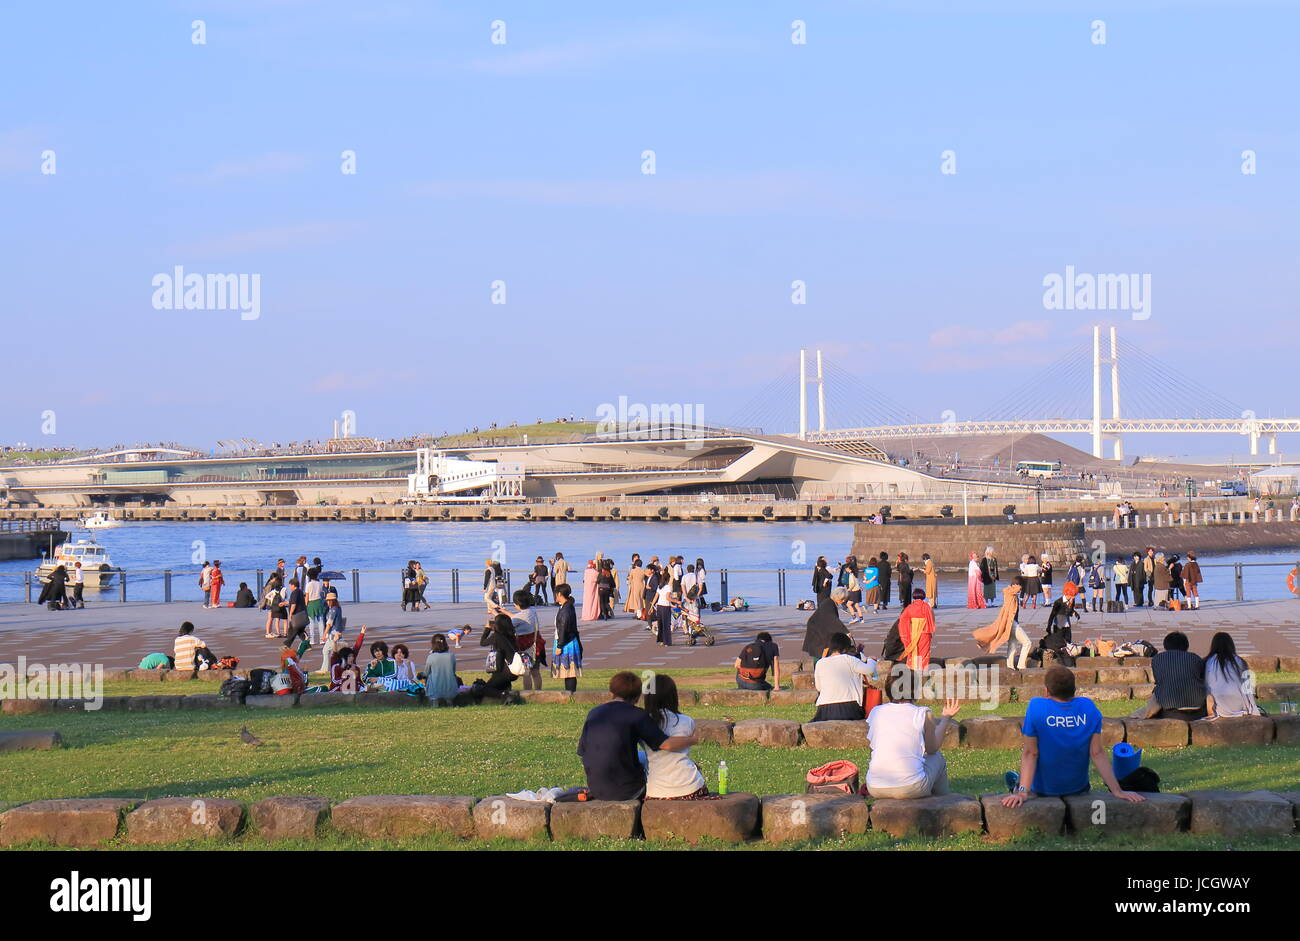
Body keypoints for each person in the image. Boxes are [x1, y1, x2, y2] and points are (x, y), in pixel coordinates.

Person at [1001, 666, 1145, 808]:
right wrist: (1117, 790)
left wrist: (1022, 793)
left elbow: (1031, 753)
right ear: (1074, 690)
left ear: (1047, 691)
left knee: (1025, 773)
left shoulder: (1036, 706)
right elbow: (1097, 752)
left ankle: (1018, 786)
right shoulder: (1088, 707)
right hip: (1077, 788)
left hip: (1042, 789)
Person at [577, 671, 697, 801]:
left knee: (641, 756)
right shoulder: (638, 715)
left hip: (597, 787)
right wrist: (693, 739)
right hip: (628, 791)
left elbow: (583, 751)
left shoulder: (594, 713)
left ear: (612, 692)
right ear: (637, 696)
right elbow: (665, 744)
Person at [866, 672, 960, 799]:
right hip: (911, 787)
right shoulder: (922, 713)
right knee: (938, 758)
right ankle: (943, 803)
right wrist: (945, 719)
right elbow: (932, 748)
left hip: (874, 786)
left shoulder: (876, 711)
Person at [643, 675, 710, 800]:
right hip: (691, 787)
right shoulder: (687, 721)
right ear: (673, 696)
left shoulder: (643, 722)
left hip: (657, 791)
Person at [1133, 631, 1207, 720]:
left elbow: (1159, 682)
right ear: (1186, 645)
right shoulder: (1195, 658)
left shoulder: (1158, 659)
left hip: (1169, 710)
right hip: (1198, 709)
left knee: (1157, 692)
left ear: (1166, 645)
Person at [811, 632, 876, 721]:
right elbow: (869, 670)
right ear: (846, 648)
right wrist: (871, 660)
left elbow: (818, 688)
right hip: (849, 707)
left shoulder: (820, 663)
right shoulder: (850, 660)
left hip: (824, 709)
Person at [495, 589, 545, 690]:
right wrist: (506, 612)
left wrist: (496, 614)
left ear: (517, 604)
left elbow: (505, 624)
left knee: (526, 672)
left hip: (525, 648)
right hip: (537, 645)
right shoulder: (532, 611)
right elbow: (517, 618)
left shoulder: (518, 618)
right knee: (536, 672)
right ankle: (539, 692)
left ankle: (528, 693)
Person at [972, 584, 1029, 669]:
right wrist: (1019, 584)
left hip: (1012, 623)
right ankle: (1021, 665)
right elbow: (1016, 589)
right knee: (1027, 643)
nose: (1020, 589)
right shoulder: (1010, 594)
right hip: (1012, 624)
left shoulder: (1012, 594)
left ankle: (1010, 666)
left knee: (1012, 644)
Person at [1203, 632, 1260, 718]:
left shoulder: (1208, 662)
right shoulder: (1240, 662)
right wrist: (1254, 710)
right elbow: (1247, 688)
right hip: (1240, 706)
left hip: (1218, 708)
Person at [478, 613, 519, 698]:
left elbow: (482, 642)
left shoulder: (497, 636)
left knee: (486, 689)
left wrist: (487, 628)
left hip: (503, 671)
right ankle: (507, 691)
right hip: (513, 670)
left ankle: (504, 695)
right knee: (500, 685)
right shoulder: (512, 635)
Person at [802, 587, 848, 665]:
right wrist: (845, 631)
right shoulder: (828, 604)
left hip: (820, 631)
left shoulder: (830, 603)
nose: (844, 601)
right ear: (837, 596)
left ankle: (820, 669)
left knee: (822, 651)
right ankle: (818, 671)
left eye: (845, 599)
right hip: (816, 632)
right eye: (842, 599)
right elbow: (832, 619)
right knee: (819, 652)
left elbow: (831, 620)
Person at [552, 583, 583, 691]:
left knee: (569, 671)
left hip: (566, 643)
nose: (555, 596)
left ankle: (570, 693)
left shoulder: (566, 609)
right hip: (568, 640)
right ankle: (570, 692)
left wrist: (559, 646)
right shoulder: (566, 606)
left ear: (559, 594)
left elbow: (564, 628)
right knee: (568, 672)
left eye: (556, 594)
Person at [897, 588, 936, 670]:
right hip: (925, 632)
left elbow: (902, 619)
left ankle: (913, 667)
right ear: (923, 596)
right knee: (923, 652)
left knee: (914, 650)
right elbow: (931, 619)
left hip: (913, 632)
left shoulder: (910, 607)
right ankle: (922, 669)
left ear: (913, 596)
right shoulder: (927, 607)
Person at [422, 634, 459, 705]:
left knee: (430, 677)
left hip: (435, 689)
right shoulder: (451, 656)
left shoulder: (431, 657)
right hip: (450, 687)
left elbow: (426, 673)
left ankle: (435, 704)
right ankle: (450, 704)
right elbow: (453, 671)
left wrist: (421, 675)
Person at [652, 576, 675, 646]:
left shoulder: (660, 586)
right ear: (668, 579)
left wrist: (651, 606)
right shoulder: (668, 587)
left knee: (660, 624)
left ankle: (661, 640)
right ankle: (667, 642)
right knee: (666, 625)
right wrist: (676, 601)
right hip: (665, 607)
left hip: (659, 606)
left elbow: (656, 597)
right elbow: (667, 598)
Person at [304, 567, 325, 645]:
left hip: (311, 603)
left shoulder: (308, 585)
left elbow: (307, 597)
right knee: (321, 621)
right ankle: (322, 639)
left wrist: (305, 606)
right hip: (319, 602)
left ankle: (312, 640)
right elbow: (321, 593)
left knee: (311, 623)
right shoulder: (319, 583)